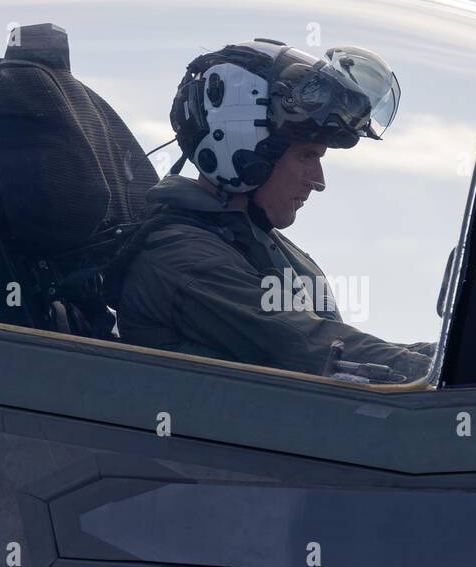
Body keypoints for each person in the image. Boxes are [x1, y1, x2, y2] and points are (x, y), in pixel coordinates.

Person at [114, 39, 434, 381]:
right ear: (245, 150)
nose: (318, 181)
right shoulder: (182, 260)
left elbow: (347, 352)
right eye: (307, 156)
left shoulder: (253, 241)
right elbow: (313, 348)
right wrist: (452, 366)